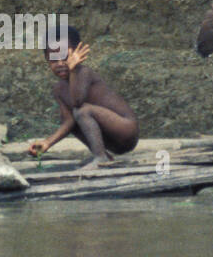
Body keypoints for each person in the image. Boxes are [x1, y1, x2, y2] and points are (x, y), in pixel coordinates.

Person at [26, 26, 138, 169]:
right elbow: (69, 122)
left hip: (126, 130)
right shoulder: (58, 89)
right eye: (54, 60)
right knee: (72, 119)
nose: (60, 64)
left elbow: (77, 101)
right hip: (111, 141)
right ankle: (103, 154)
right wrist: (47, 142)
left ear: (78, 54)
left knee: (81, 110)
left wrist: (73, 70)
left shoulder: (84, 73)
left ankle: (100, 158)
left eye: (65, 57)